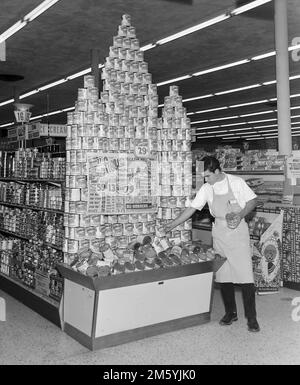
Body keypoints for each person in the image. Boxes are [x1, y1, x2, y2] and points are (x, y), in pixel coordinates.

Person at [165, 156, 260, 332]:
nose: (205, 179)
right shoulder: (207, 188)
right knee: (224, 275)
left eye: (208, 176)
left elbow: (253, 201)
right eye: (204, 176)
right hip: (219, 233)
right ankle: (231, 312)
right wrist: (173, 224)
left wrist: (240, 215)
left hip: (238, 232)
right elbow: (192, 208)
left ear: (217, 171)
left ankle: (252, 318)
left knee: (246, 276)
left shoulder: (236, 182)